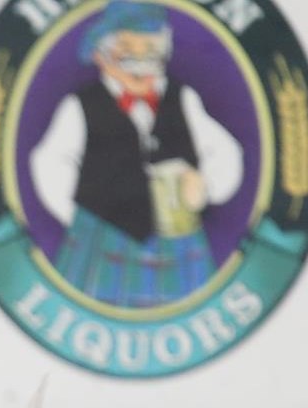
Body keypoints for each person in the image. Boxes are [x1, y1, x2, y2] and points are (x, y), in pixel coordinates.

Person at [28, 0, 244, 306]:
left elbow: (224, 151)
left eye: (152, 51)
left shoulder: (182, 97)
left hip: (178, 245)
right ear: (101, 57)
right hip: (103, 247)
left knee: (184, 308)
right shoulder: (81, 105)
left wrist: (204, 186)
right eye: (128, 52)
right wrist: (84, 219)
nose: (141, 63)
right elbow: (50, 161)